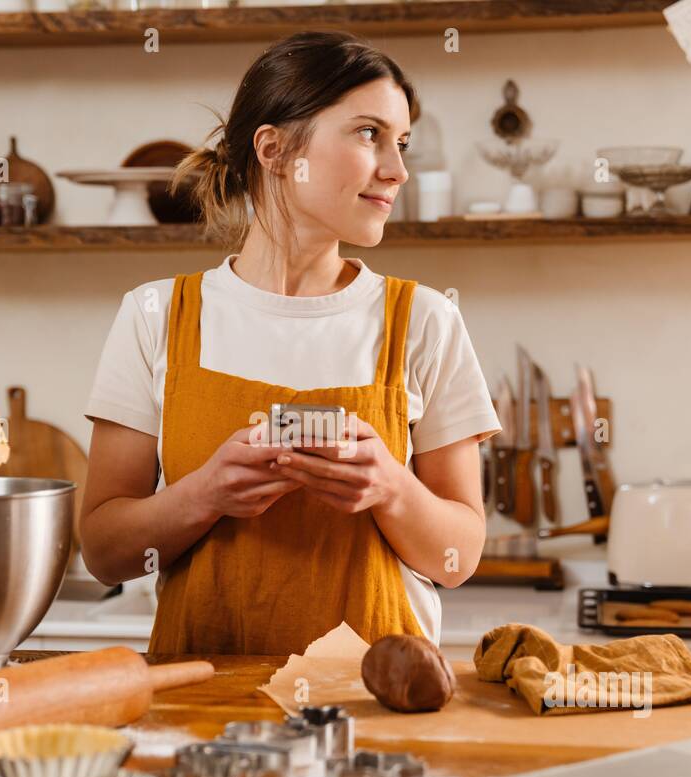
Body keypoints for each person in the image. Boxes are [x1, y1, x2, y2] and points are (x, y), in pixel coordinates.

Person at [82, 31, 500, 655]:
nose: (398, 169)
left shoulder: (425, 321)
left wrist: (391, 488)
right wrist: (206, 494)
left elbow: (457, 557)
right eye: (369, 134)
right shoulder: (155, 316)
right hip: (204, 718)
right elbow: (106, 554)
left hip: (377, 712)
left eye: (402, 142)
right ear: (275, 149)